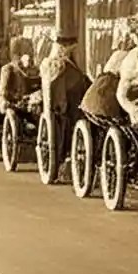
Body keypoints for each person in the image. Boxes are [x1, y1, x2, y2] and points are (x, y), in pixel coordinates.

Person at [41, 36, 92, 172]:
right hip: (62, 104)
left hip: (77, 101)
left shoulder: (73, 65)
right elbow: (53, 84)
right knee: (65, 124)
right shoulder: (52, 63)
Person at [0, 37, 40, 115]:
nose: (30, 56)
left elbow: (37, 85)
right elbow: (2, 91)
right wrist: (3, 100)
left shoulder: (33, 70)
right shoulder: (8, 69)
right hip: (13, 105)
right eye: (27, 52)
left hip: (28, 104)